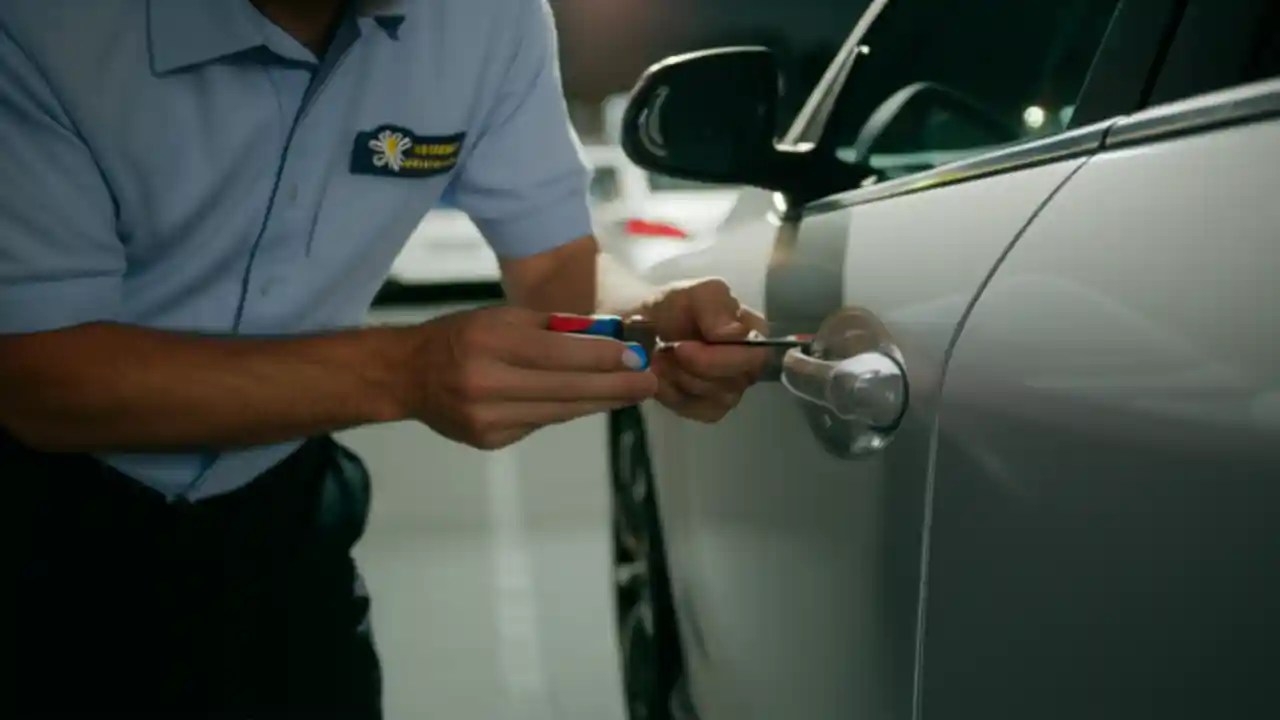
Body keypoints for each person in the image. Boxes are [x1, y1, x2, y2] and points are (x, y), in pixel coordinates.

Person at [0, 1, 770, 717]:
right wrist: (402, 371)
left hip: (281, 523)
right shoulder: (48, 26)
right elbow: (42, 380)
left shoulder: (483, 21)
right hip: (38, 529)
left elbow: (557, 273)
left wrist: (641, 321)